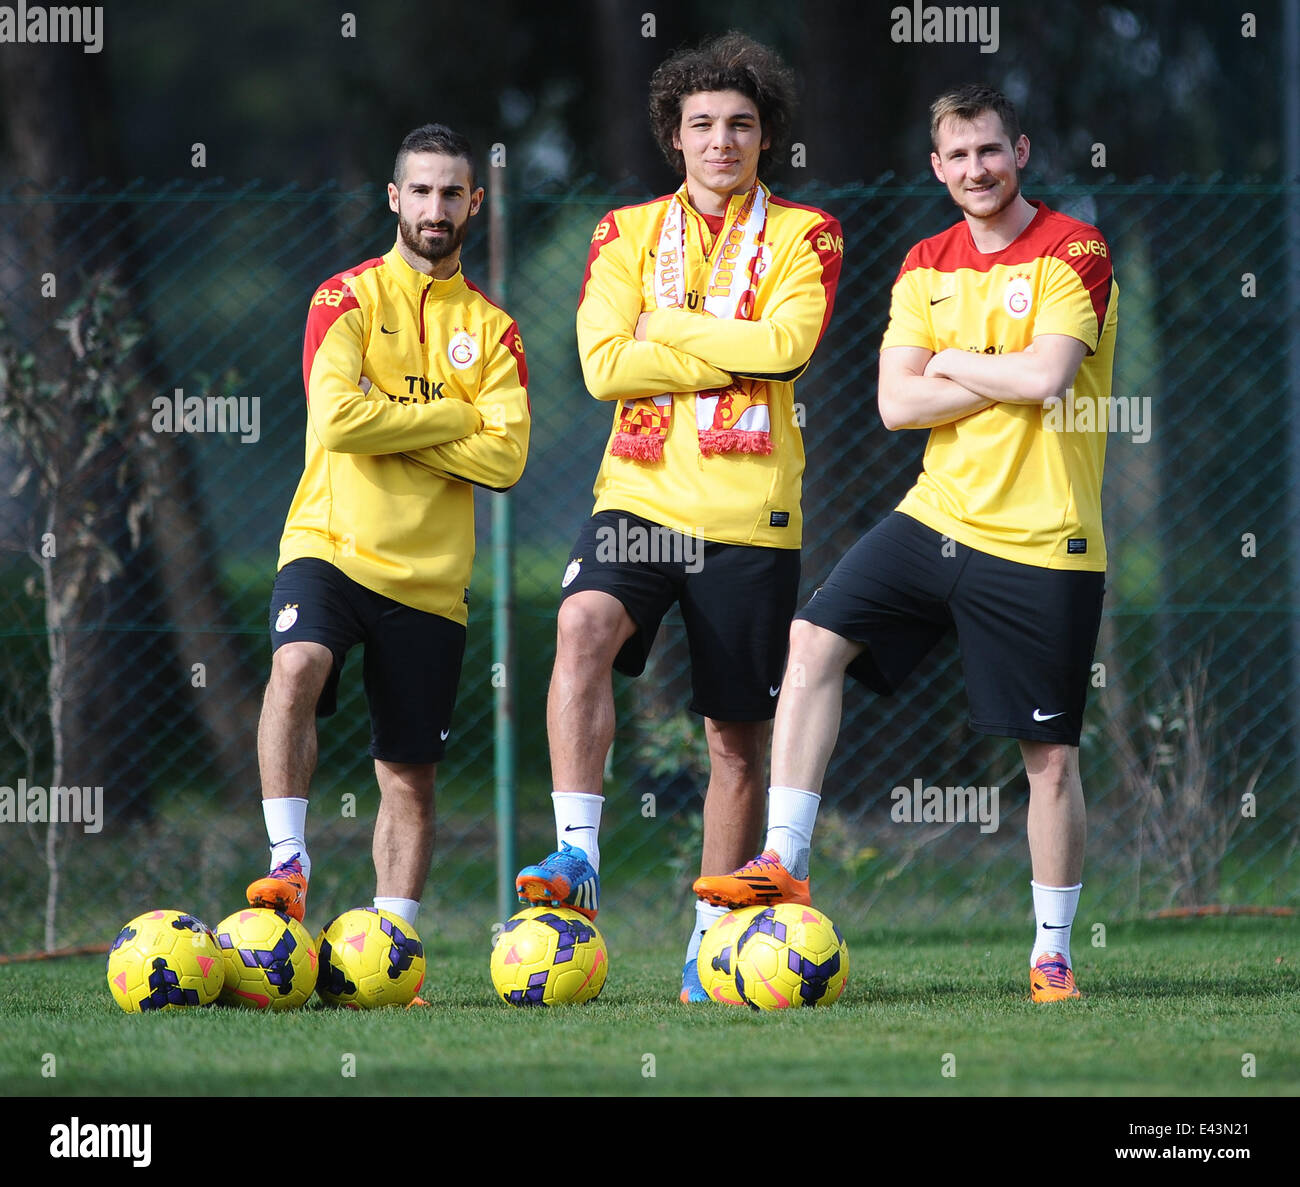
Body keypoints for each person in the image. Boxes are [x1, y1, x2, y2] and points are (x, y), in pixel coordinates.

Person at [695, 84, 1119, 1003]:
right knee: (812, 641)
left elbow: (1049, 376)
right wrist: (993, 376)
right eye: (958, 156)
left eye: (991, 152)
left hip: (1046, 540)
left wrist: (954, 363)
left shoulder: (1072, 248)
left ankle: (1051, 952)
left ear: (1023, 151)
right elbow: (896, 404)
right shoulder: (925, 261)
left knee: (1047, 760)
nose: (976, 169)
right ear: (937, 167)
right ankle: (784, 860)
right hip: (936, 517)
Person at [513, 32, 842, 1003]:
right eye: (701, 125)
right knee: (578, 623)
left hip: (749, 511)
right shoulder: (621, 233)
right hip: (640, 494)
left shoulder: (805, 232)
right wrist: (718, 346)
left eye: (740, 125)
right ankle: (577, 856)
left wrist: (663, 329)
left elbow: (786, 349)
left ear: (765, 137)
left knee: (733, 738)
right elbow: (601, 365)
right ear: (675, 137)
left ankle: (710, 942)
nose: (720, 141)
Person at [245, 124, 531, 937]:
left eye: (452, 193)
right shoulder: (345, 298)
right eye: (422, 190)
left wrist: (392, 417)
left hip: (430, 582)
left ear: (474, 203)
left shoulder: (496, 330)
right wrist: (452, 414)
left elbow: (506, 458)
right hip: (328, 546)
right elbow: (336, 419)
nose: (436, 207)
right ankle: (287, 866)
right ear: (394, 197)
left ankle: (392, 943)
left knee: (408, 778)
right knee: (295, 664)